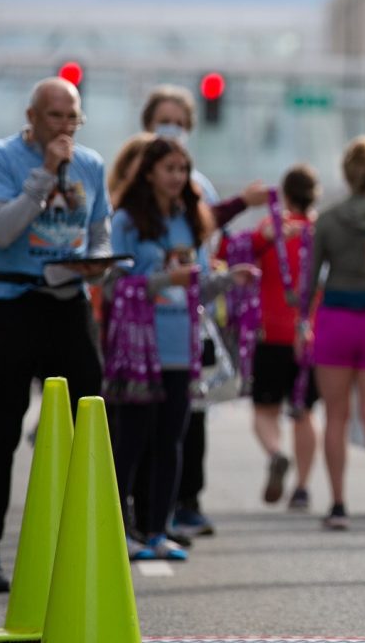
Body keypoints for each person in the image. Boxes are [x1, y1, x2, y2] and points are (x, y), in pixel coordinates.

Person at [0, 78, 111, 592]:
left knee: (90, 413)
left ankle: (81, 545)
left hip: (69, 298)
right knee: (0, 425)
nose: (66, 128)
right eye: (56, 117)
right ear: (32, 116)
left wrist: (99, 265)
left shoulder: (91, 164)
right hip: (16, 301)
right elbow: (1, 230)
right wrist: (44, 175)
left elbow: (99, 230)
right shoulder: (2, 158)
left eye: (73, 118)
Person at [106, 137, 254, 561]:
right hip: (138, 351)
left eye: (182, 170)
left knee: (172, 440)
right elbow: (113, 286)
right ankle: (119, 530)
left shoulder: (191, 222)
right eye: (169, 168)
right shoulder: (127, 222)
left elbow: (195, 287)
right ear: (149, 171)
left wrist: (229, 279)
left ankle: (157, 530)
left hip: (180, 348)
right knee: (131, 441)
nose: (177, 177)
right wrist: (162, 283)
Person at [138, 86, 270, 540]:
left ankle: (177, 508)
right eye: (163, 118)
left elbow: (204, 233)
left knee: (185, 419)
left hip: (187, 323)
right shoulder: (130, 203)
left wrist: (224, 277)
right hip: (140, 334)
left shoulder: (198, 192)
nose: (170, 127)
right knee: (141, 426)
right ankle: (138, 517)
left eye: (178, 120)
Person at [302, 136, 365, 531]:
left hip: (335, 317)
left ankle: (338, 503)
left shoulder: (329, 219)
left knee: (335, 416)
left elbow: (309, 279)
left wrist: (302, 317)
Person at [240, 166, 320, 511]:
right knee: (303, 413)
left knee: (264, 410)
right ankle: (301, 487)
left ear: (286, 195)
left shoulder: (271, 229)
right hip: (309, 334)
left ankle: (275, 453)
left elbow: (243, 256)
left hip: (270, 332)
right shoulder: (318, 233)